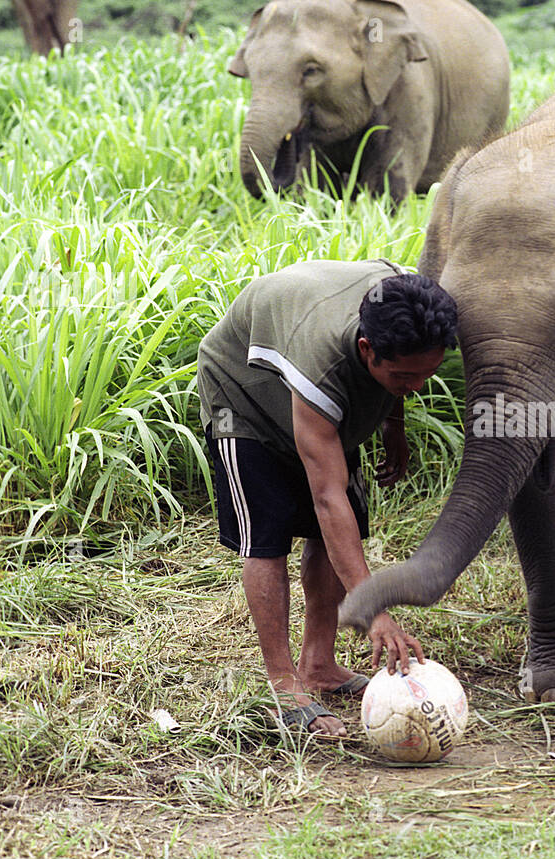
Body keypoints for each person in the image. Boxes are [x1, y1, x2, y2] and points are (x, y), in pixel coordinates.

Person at [196, 259, 457, 736]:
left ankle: (319, 664)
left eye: (427, 375)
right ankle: (283, 684)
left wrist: (393, 423)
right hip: (244, 394)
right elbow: (327, 497)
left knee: (340, 527)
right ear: (366, 350)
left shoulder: (407, 304)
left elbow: (401, 366)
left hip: (316, 380)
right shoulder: (322, 361)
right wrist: (374, 609)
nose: (417, 387)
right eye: (403, 378)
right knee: (268, 536)